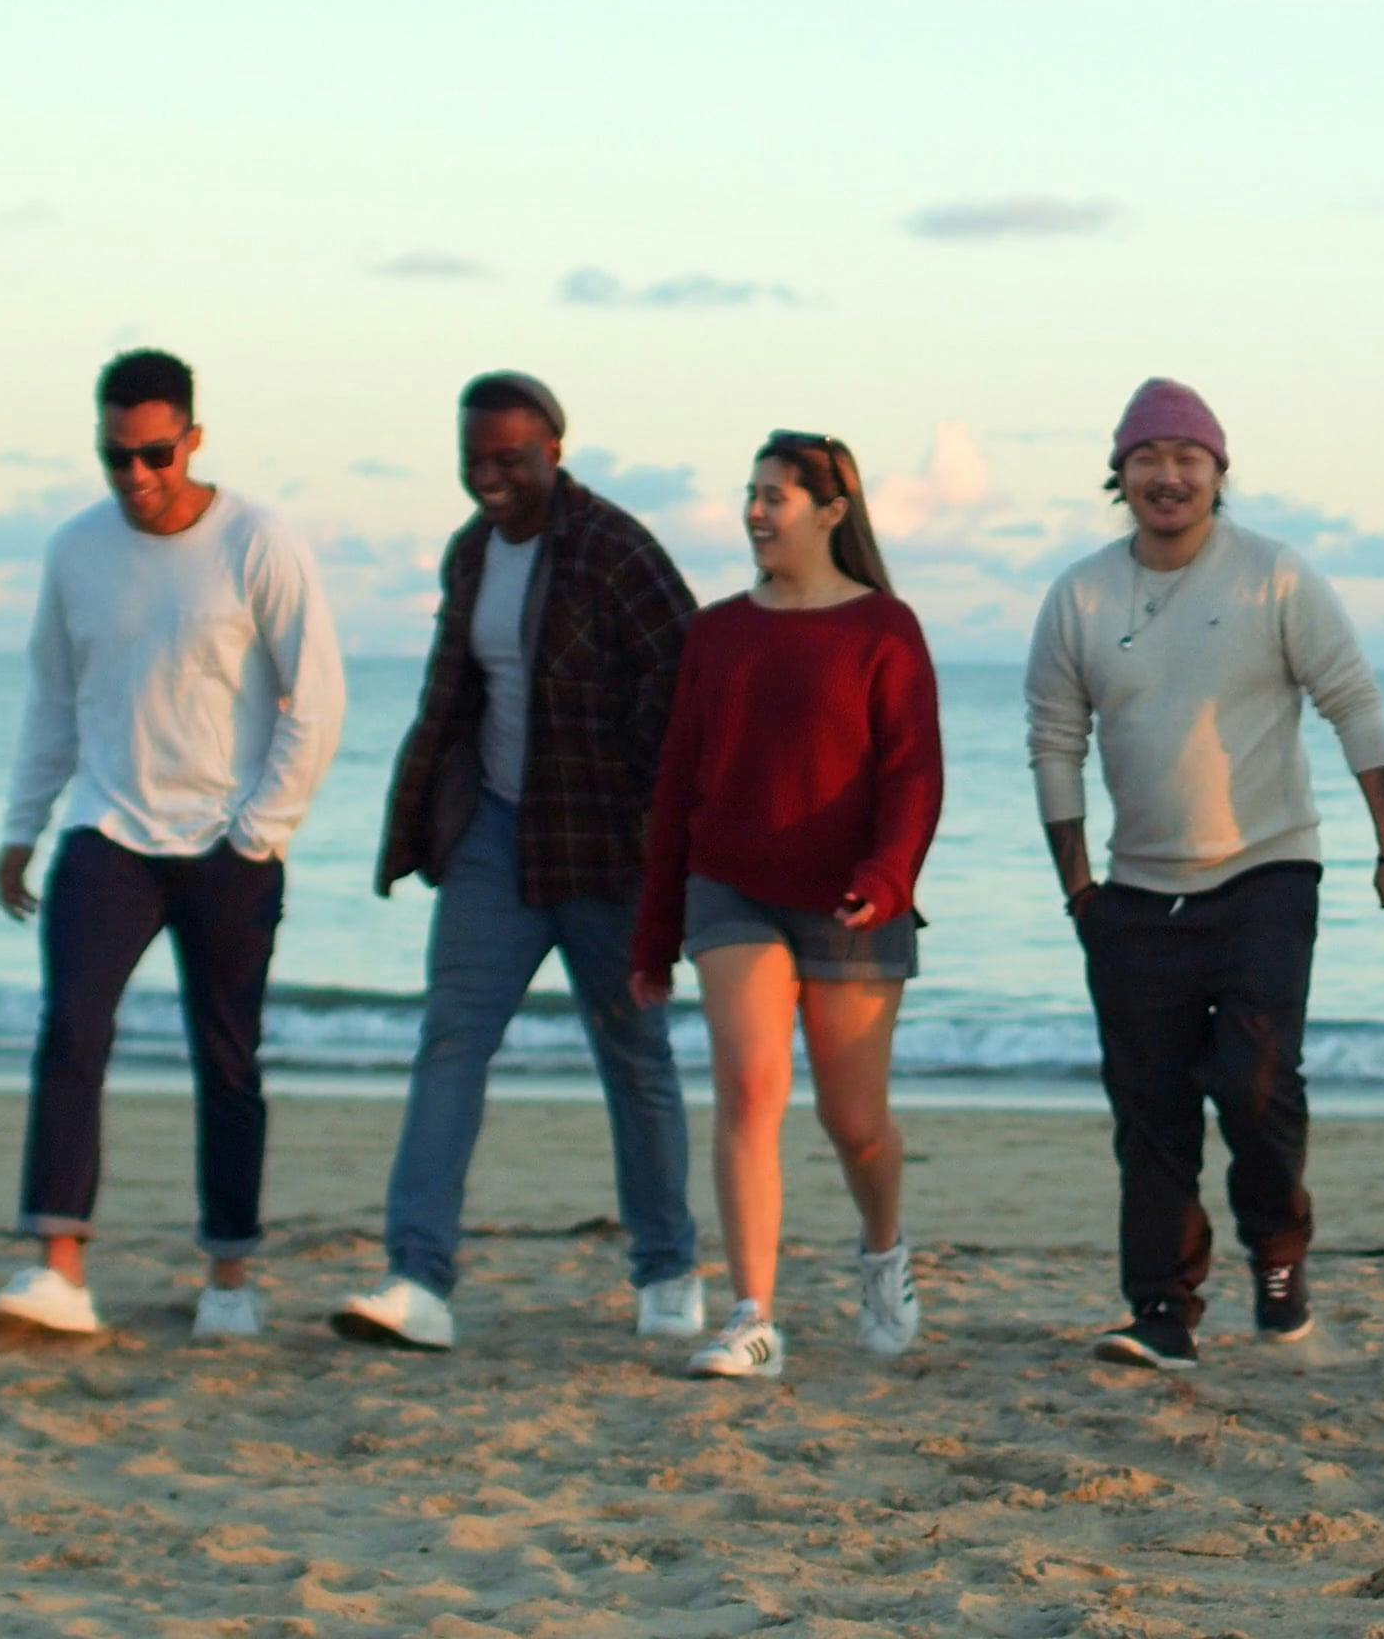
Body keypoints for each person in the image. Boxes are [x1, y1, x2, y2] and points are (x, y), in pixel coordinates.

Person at [1028, 379, 1384, 1371]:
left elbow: (1353, 704)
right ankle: (1162, 1312)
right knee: (1152, 1111)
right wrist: (1079, 890)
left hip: (1266, 870)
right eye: (1147, 458)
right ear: (1119, 476)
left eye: (1187, 458)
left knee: (1254, 1084)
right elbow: (1054, 744)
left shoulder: (1276, 578)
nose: (1168, 476)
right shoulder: (1079, 594)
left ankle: (1280, 1255)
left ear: (1218, 472)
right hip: (1133, 893)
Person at [337, 372, 704, 1355]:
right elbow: (449, 704)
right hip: (495, 842)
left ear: (554, 448)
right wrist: (419, 826)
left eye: (509, 458)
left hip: (603, 851)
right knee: (450, 1045)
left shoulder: (616, 548)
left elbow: (688, 680)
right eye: (475, 459)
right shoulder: (470, 554)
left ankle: (668, 1270)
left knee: (637, 1061)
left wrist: (644, 813)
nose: (490, 477)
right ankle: (417, 1280)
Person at [0, 349, 345, 1341]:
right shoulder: (75, 550)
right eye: (116, 458)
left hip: (228, 841)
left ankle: (228, 1278)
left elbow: (315, 700)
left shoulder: (259, 542)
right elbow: (54, 694)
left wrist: (260, 834)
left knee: (227, 1061)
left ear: (192, 439)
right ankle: (58, 1267)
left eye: (154, 455)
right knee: (71, 1034)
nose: (137, 478)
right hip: (108, 834)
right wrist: (24, 826)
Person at [629, 433, 944, 1379]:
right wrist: (654, 934)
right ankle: (753, 1317)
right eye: (753, 494)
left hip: (853, 903)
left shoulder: (885, 629)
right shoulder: (719, 632)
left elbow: (915, 778)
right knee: (751, 1090)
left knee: (855, 1124)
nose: (758, 513)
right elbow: (677, 782)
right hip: (733, 890)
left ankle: (883, 1249)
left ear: (831, 511)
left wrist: (887, 878)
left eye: (778, 497)